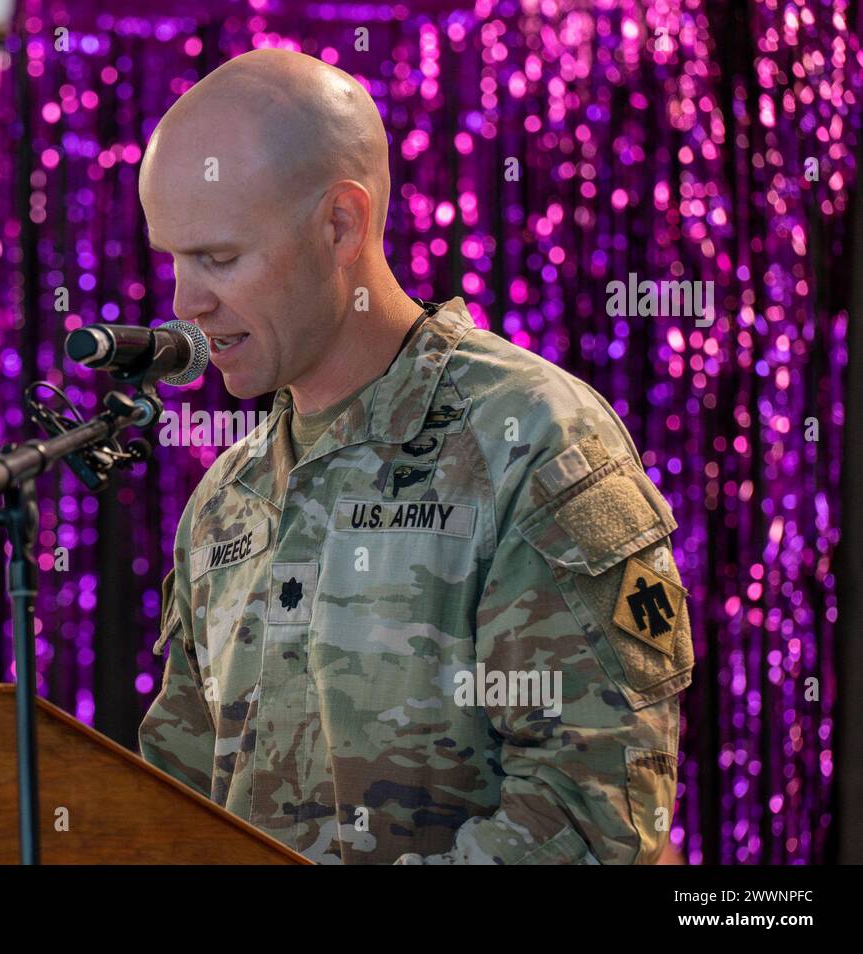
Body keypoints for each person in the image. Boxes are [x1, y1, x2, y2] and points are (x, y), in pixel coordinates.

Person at [136, 48, 692, 864]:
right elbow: (174, 802)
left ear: (342, 225)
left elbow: (595, 811)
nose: (186, 303)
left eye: (219, 258)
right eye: (173, 260)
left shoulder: (531, 441)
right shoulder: (229, 493)